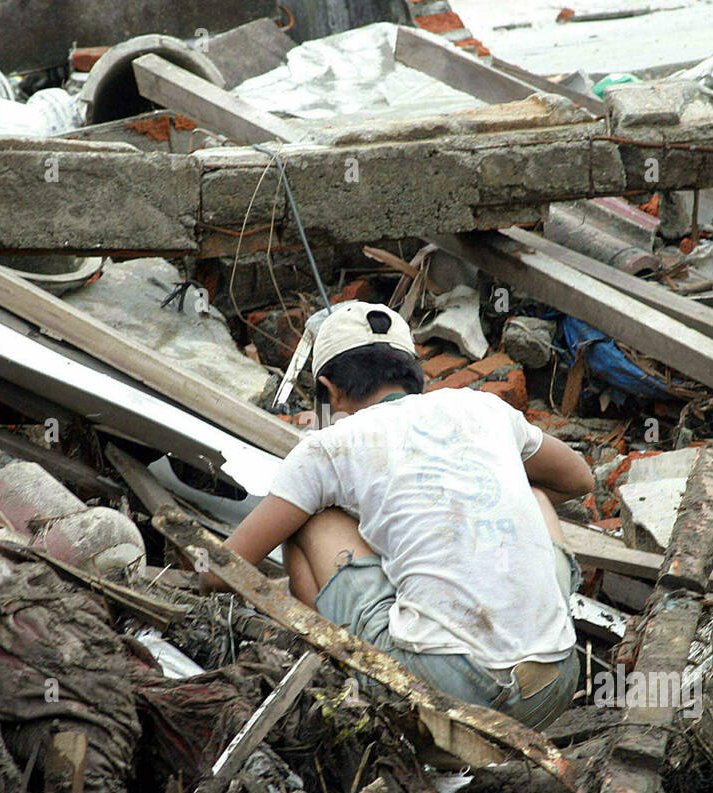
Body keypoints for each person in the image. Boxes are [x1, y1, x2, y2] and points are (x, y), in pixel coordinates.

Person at [202, 301, 594, 729]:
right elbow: (579, 479)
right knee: (534, 492)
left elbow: (222, 572)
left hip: (447, 692)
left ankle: (347, 696)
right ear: (412, 374)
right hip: (555, 680)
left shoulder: (329, 445)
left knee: (309, 520)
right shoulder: (483, 408)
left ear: (330, 391)